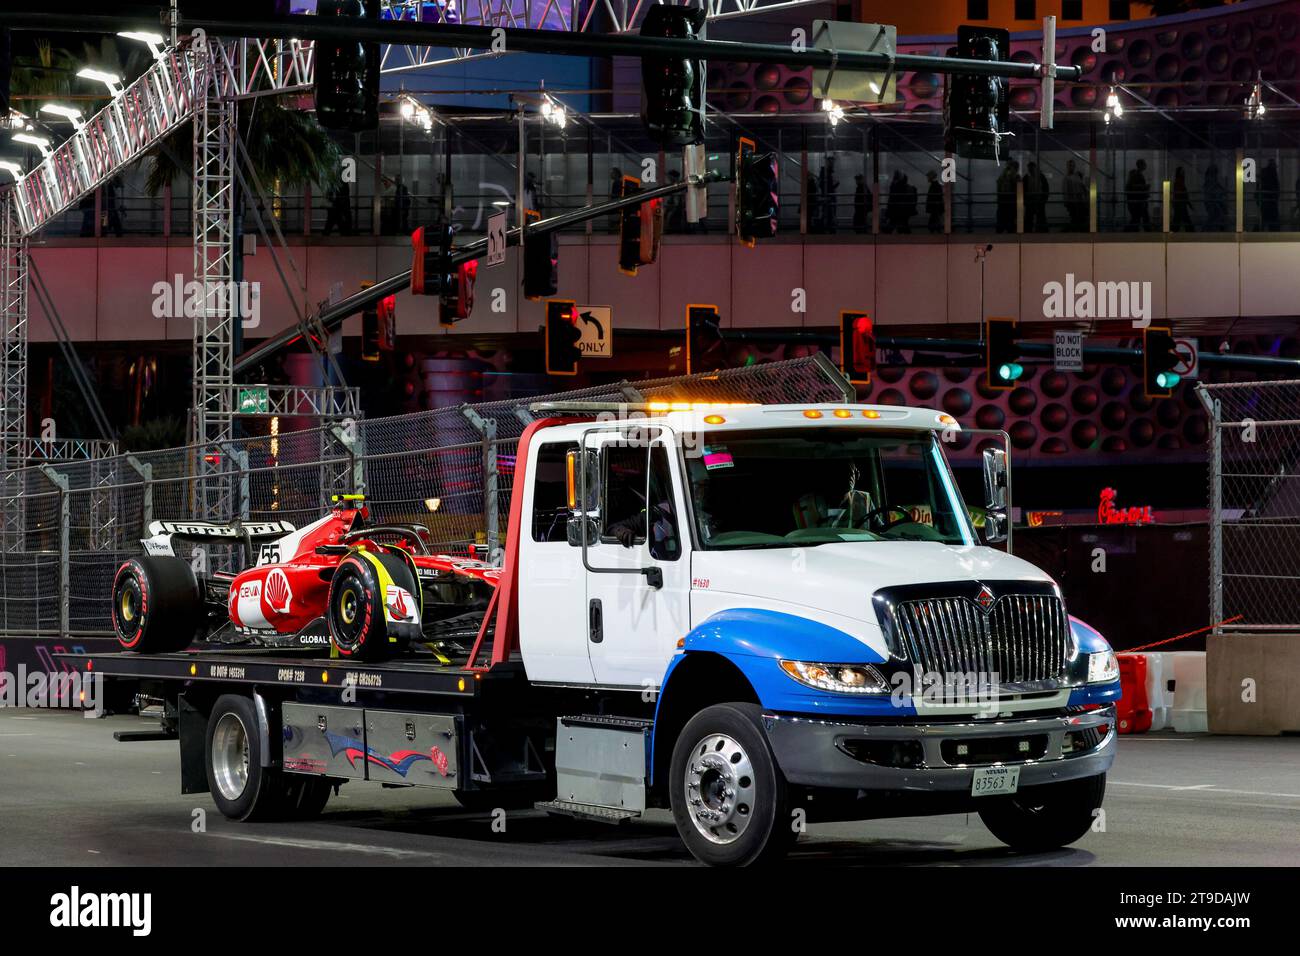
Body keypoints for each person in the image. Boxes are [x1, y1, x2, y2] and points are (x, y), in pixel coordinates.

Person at [1063, 158, 1088, 232]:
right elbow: (1065, 191)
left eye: (1072, 166)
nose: (1071, 167)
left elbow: (1083, 186)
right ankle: (1076, 234)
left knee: (1079, 219)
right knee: (1076, 219)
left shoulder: (1075, 176)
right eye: (1070, 166)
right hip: (1073, 202)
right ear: (1067, 166)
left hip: (1079, 201)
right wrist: (1067, 202)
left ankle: (1078, 234)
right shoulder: (1067, 178)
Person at [1126, 159, 1150, 231]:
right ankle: (1146, 231)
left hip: (1138, 200)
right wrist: (1145, 187)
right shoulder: (1137, 175)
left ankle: (1132, 231)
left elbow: (1134, 186)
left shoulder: (1137, 174)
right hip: (1138, 200)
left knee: (1137, 218)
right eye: (1144, 164)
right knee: (1138, 218)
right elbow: (1134, 186)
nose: (1145, 165)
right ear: (1141, 165)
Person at [996, 159, 1019, 233]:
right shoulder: (1014, 176)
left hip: (1005, 200)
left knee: (1004, 219)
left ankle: (1002, 232)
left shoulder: (1003, 176)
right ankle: (1008, 232)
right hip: (1009, 200)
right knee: (1009, 219)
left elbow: (999, 186)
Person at [1258, 158, 1280, 231]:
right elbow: (1276, 187)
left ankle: (1261, 232)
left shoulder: (1265, 172)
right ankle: (1273, 232)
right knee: (1272, 219)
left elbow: (1259, 186)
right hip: (1270, 200)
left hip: (1266, 200)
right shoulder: (1272, 173)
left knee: (1265, 218)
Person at [1203, 164, 1226, 231]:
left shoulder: (1209, 178)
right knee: (1214, 217)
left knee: (1214, 217)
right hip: (1212, 202)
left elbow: (1216, 186)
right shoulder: (1210, 179)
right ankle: (1206, 230)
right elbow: (1213, 187)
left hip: (1212, 201)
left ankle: (1220, 229)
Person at [1171, 166, 1194, 232]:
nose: (1184, 172)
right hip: (1181, 203)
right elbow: (1182, 193)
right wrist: (1189, 203)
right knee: (1184, 219)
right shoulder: (1179, 180)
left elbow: (1180, 193)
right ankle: (1190, 231)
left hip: (1179, 203)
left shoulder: (1178, 180)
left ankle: (1174, 231)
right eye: (1182, 171)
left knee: (1178, 219)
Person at [819, 159, 839, 234]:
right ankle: (830, 229)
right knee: (829, 213)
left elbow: (823, 185)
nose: (832, 165)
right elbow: (824, 186)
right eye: (831, 163)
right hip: (829, 196)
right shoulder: (826, 173)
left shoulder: (826, 173)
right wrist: (834, 186)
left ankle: (826, 229)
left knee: (827, 213)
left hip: (828, 196)